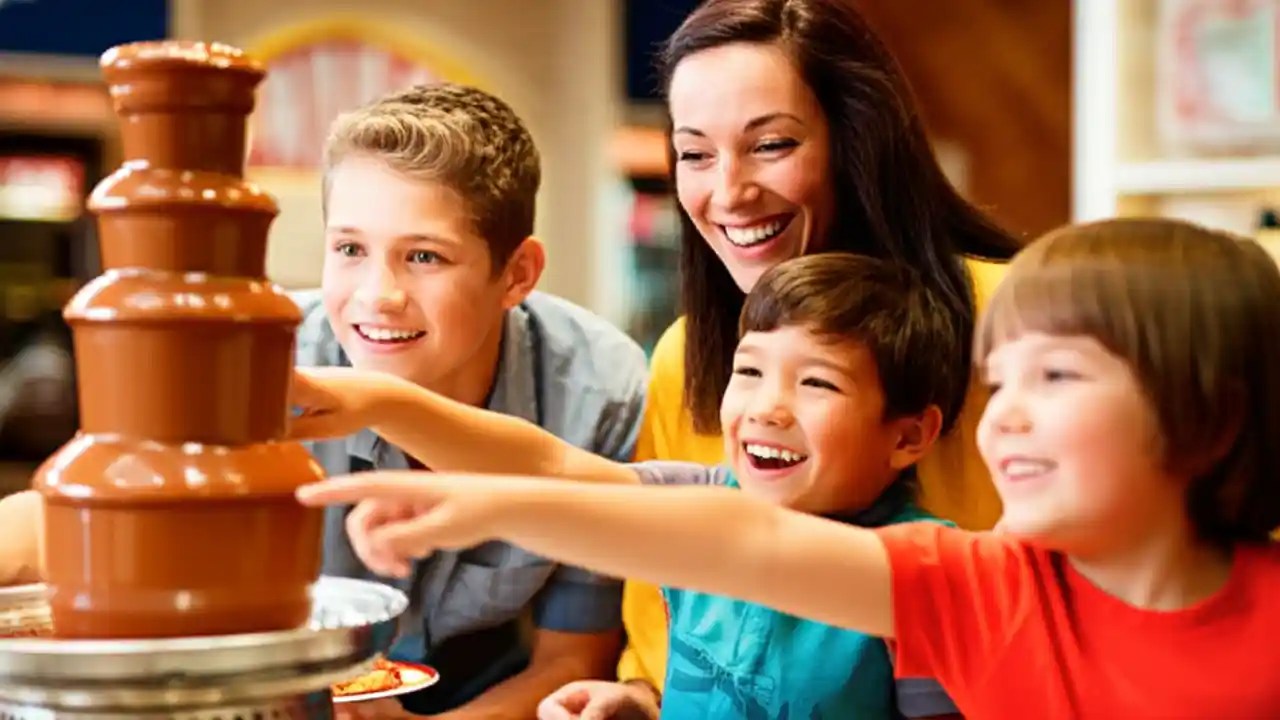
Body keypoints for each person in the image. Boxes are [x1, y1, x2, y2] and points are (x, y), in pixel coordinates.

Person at [295, 218, 1280, 718]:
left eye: (1056, 375)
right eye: (1000, 378)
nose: (1005, 415)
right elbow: (731, 530)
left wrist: (472, 499)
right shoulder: (981, 588)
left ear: (1207, 408)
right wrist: (405, 428)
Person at [0, 83, 649, 720]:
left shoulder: (597, 389)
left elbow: (572, 661)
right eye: (350, 249)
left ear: (517, 274)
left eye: (423, 256)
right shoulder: (258, 358)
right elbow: (85, 513)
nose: (377, 295)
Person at [284, 253, 963, 718]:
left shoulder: (925, 575)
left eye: (816, 383)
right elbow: (553, 469)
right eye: (749, 372)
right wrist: (643, 703)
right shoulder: (701, 501)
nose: (766, 408)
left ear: (909, 435)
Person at [619, 0, 1021, 697]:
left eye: (771, 145)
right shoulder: (687, 356)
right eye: (694, 154)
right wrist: (635, 698)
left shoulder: (1018, 323)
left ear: (856, 139)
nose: (729, 192)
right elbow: (659, 632)